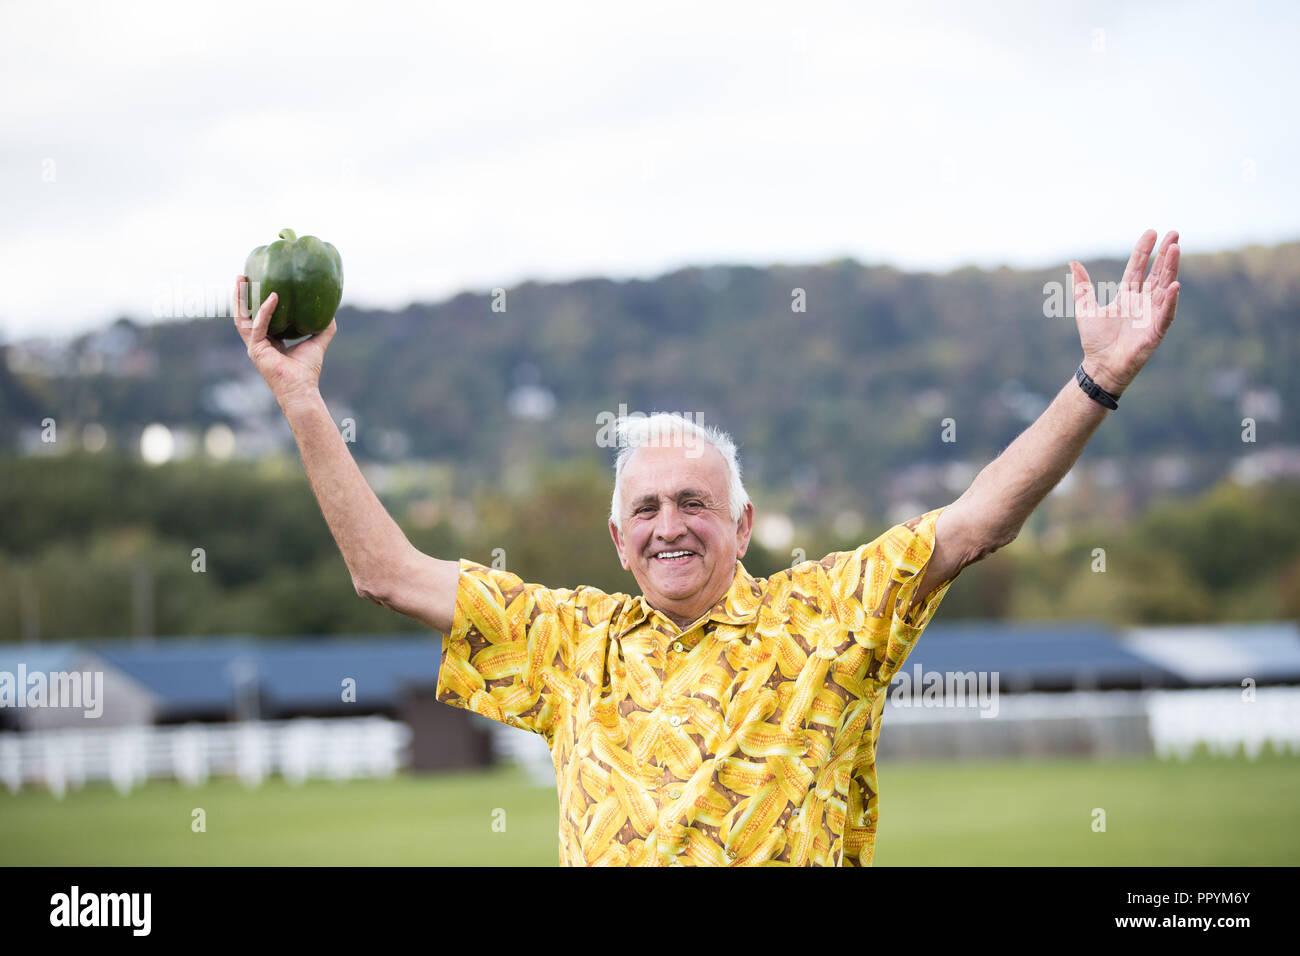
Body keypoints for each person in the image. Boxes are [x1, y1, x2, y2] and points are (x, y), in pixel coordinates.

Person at [232, 228, 1181, 865]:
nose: (669, 525)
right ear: (617, 538)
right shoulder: (572, 643)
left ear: (743, 525)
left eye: (694, 502)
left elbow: (977, 523)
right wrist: (302, 401)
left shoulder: (827, 616)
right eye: (645, 510)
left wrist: (1096, 380)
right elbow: (385, 574)